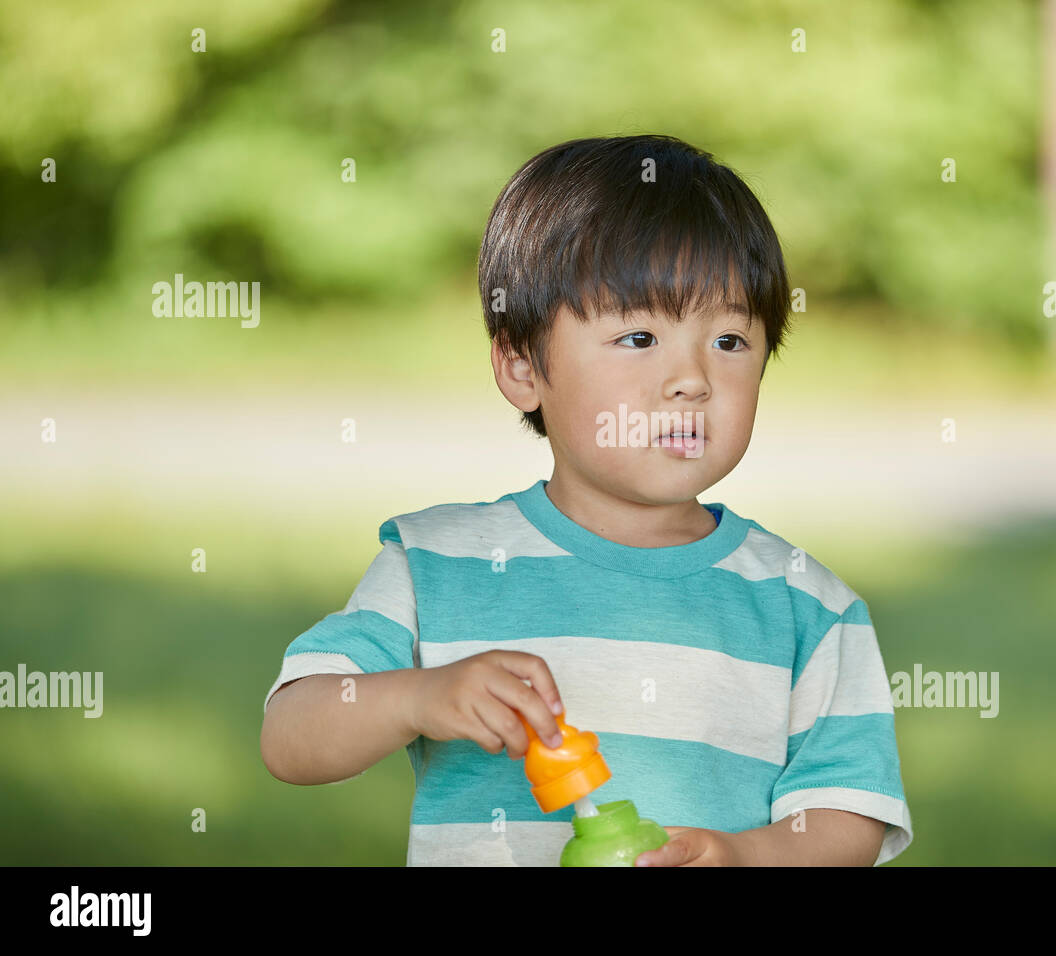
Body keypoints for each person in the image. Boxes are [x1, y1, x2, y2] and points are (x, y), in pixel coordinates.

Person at [260, 133, 913, 866]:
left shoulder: (808, 609)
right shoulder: (438, 566)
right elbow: (292, 737)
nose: (691, 380)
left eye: (730, 341)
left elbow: (846, 821)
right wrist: (417, 697)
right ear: (520, 365)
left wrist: (739, 856)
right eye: (639, 336)